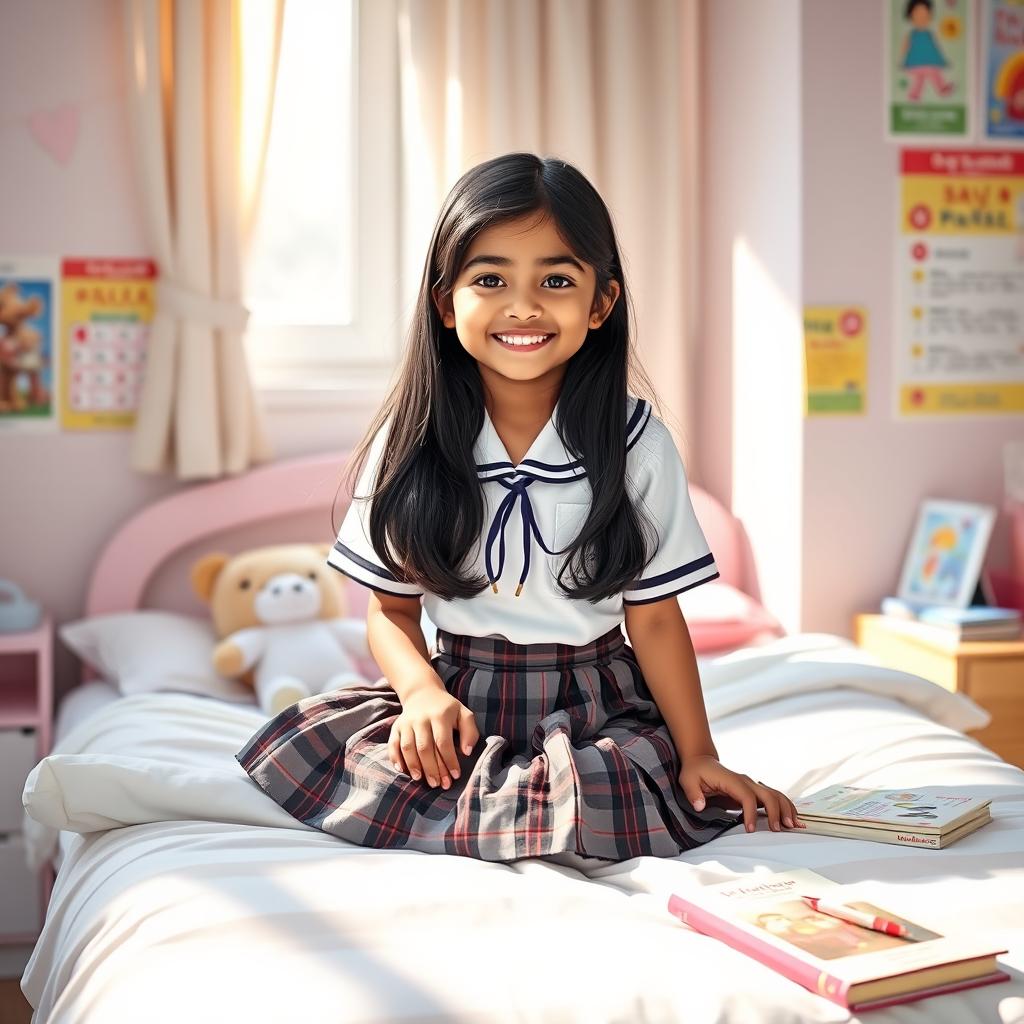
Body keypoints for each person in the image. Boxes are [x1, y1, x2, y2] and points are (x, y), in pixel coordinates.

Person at [236, 152, 804, 863]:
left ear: (601, 303)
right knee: (344, 765)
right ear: (447, 303)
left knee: (601, 797)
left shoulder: (637, 445)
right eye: (491, 279)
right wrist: (418, 695)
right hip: (458, 703)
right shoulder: (408, 443)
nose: (524, 305)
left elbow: (655, 618)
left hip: (596, 707)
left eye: (557, 280)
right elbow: (391, 611)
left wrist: (699, 753)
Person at [900, 0, 954, 102]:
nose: (922, 18)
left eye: (925, 15)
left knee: (925, 76)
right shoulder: (912, 34)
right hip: (916, 62)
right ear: (910, 16)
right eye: (918, 14)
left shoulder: (930, 34)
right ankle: (941, 89)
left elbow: (936, 46)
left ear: (930, 16)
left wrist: (943, 59)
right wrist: (902, 59)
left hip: (929, 61)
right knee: (930, 74)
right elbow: (905, 46)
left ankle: (914, 95)